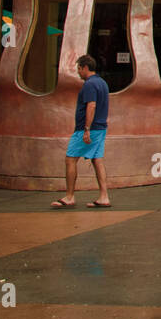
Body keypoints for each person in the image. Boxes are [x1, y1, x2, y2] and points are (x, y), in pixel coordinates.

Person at [51, 55, 111, 209]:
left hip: (88, 129)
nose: (78, 72)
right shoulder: (102, 83)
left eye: (78, 68)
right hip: (100, 128)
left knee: (70, 159)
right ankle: (104, 196)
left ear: (85, 67)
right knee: (97, 160)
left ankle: (70, 196)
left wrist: (86, 129)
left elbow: (91, 106)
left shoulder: (90, 85)